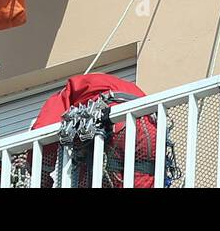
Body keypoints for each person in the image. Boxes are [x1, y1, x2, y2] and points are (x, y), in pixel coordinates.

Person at [31, 73, 162, 188]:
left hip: (116, 119)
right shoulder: (116, 86)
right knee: (143, 171)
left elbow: (43, 131)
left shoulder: (63, 96)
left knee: (89, 170)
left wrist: (39, 174)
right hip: (149, 127)